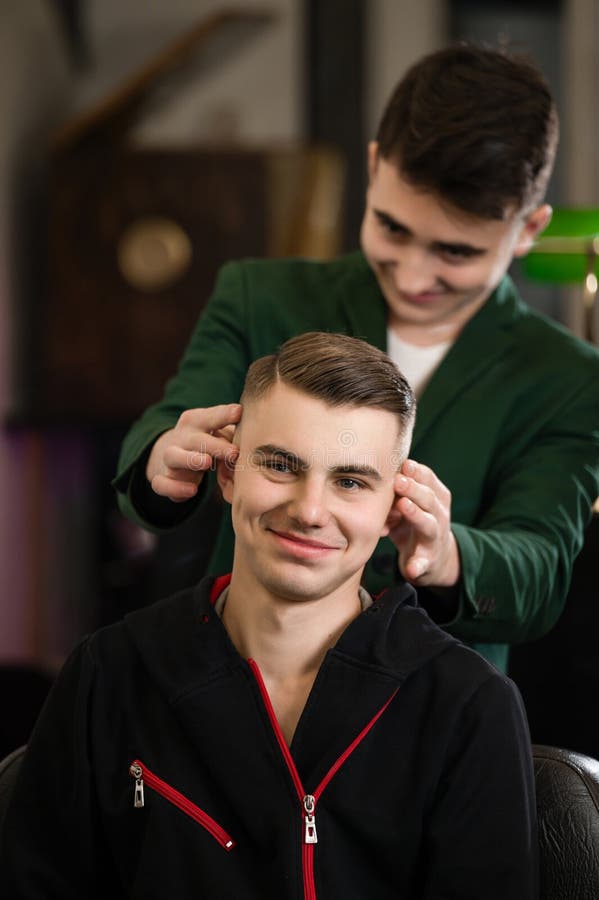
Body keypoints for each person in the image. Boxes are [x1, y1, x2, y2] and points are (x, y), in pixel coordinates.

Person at [114, 44, 599, 672]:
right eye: (393, 229)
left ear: (529, 229)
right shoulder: (260, 297)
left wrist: (446, 553)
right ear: (375, 169)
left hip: (429, 710)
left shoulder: (567, 379)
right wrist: (163, 458)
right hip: (229, 674)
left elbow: (539, 573)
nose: (415, 275)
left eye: (455, 252)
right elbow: (161, 433)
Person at [1, 333, 538, 899]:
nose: (309, 511)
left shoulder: (468, 704)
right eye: (281, 465)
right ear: (229, 474)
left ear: (392, 509)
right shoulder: (107, 675)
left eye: (350, 481)